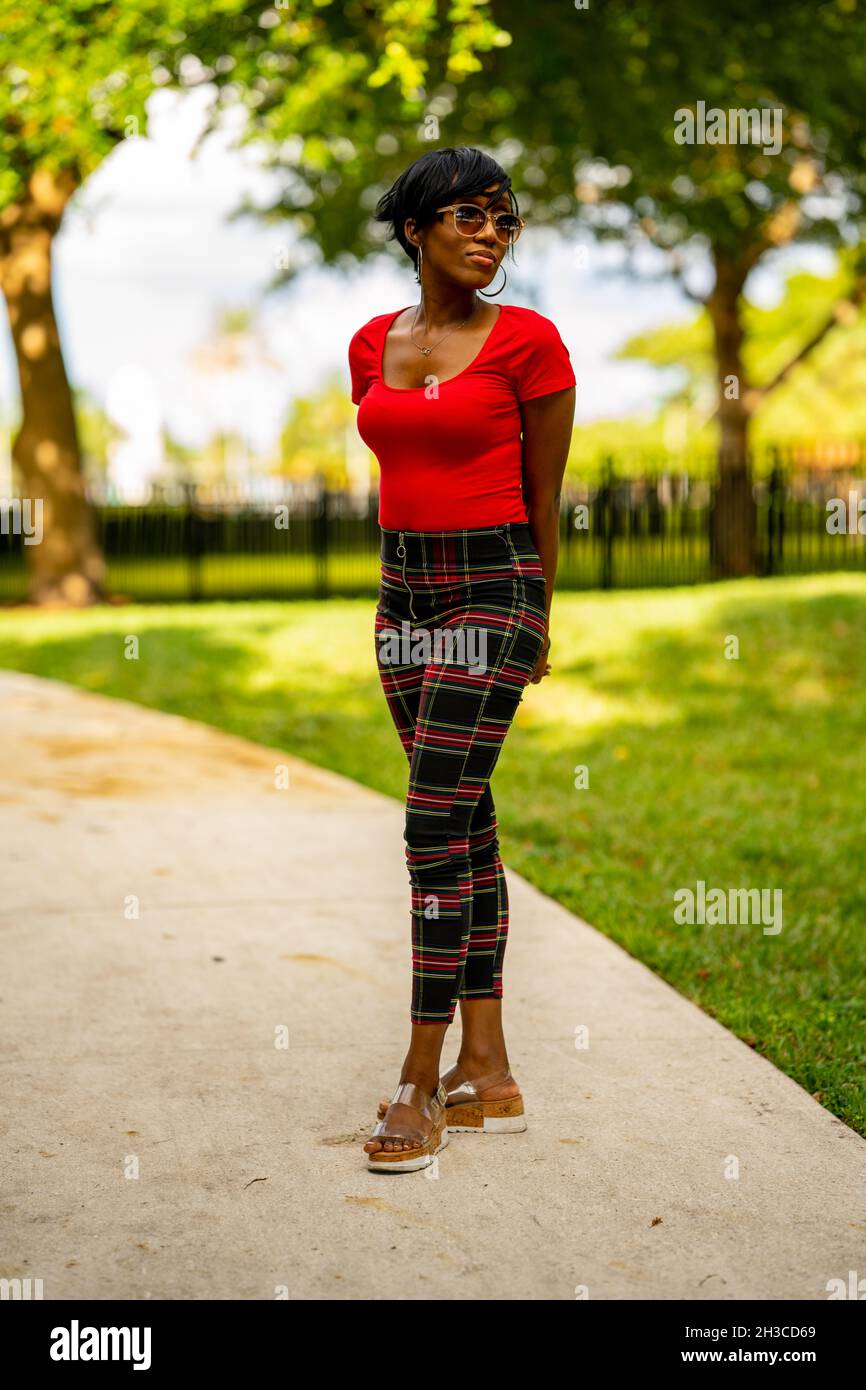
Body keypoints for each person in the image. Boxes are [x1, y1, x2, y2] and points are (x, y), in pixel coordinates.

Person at [348, 145, 575, 1172]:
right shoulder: (368, 345)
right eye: (468, 215)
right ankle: (488, 1071)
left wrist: (535, 618)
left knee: (431, 820)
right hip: (404, 593)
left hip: (494, 584)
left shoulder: (528, 343)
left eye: (503, 218)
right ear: (415, 229)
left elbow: (542, 496)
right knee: (465, 818)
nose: (489, 233)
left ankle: (416, 1073)